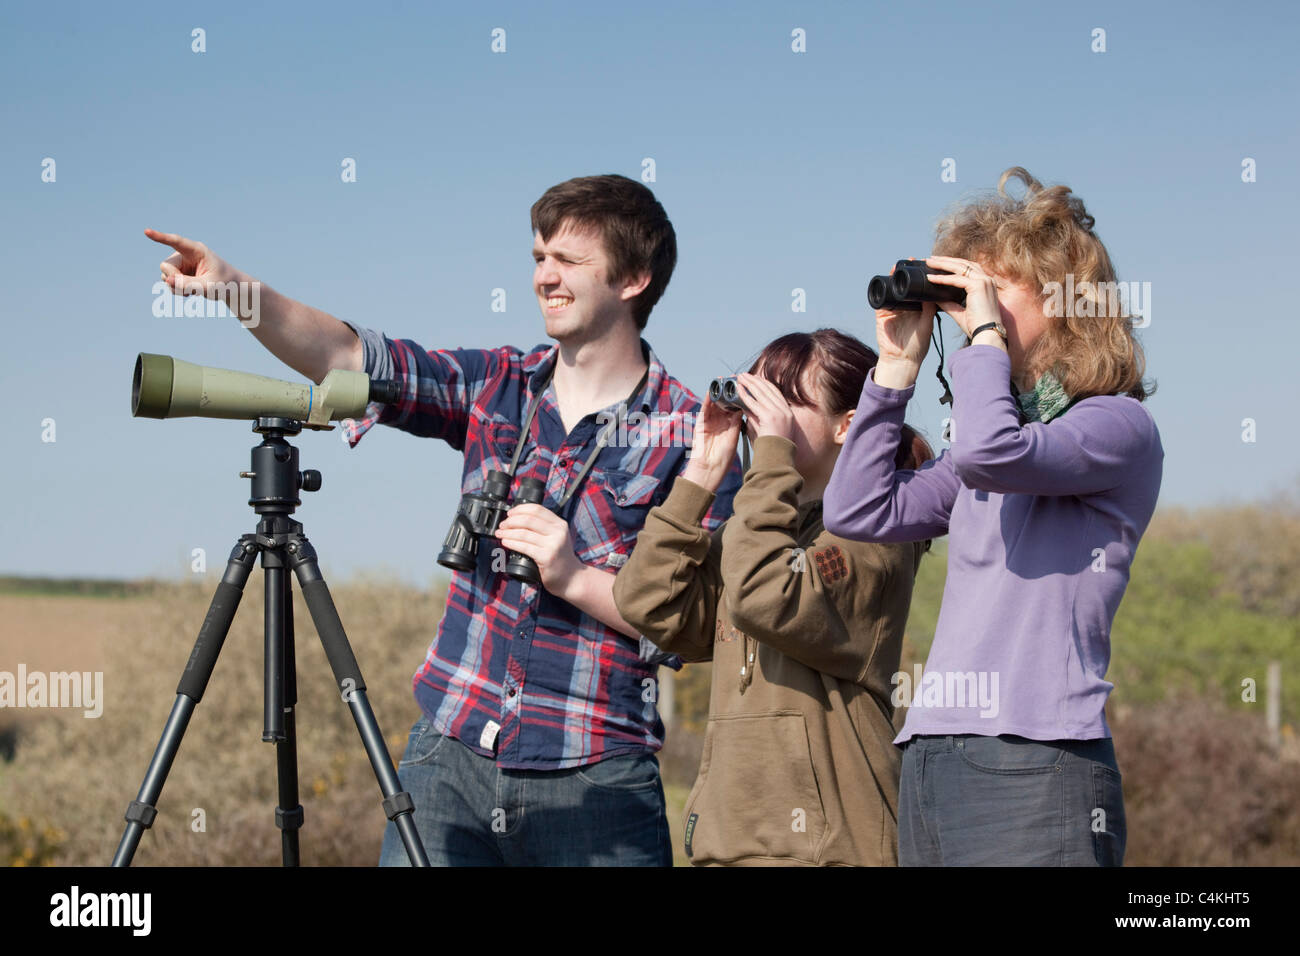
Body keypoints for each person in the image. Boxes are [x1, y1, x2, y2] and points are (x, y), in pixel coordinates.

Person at [145, 173, 742, 866]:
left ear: (634, 277)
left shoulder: (696, 437)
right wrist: (233, 290)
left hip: (598, 773)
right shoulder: (498, 384)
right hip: (446, 759)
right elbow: (349, 357)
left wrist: (575, 577)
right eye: (537, 259)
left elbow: (703, 626)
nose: (544, 277)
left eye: (568, 262)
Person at [822, 167, 1162, 866]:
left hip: (1036, 760)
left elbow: (989, 453)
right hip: (934, 754)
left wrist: (980, 336)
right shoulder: (997, 446)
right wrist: (894, 367)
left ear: (1067, 301)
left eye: (991, 287)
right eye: (962, 290)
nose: (967, 305)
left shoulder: (1115, 427)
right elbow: (857, 508)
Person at [613, 328, 933, 865]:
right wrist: (702, 473)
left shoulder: (878, 535)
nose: (763, 417)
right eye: (758, 397)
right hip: (731, 843)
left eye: (785, 403)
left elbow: (767, 596)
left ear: (847, 426)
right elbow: (646, 601)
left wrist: (768, 461)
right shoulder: (759, 532)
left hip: (830, 850)